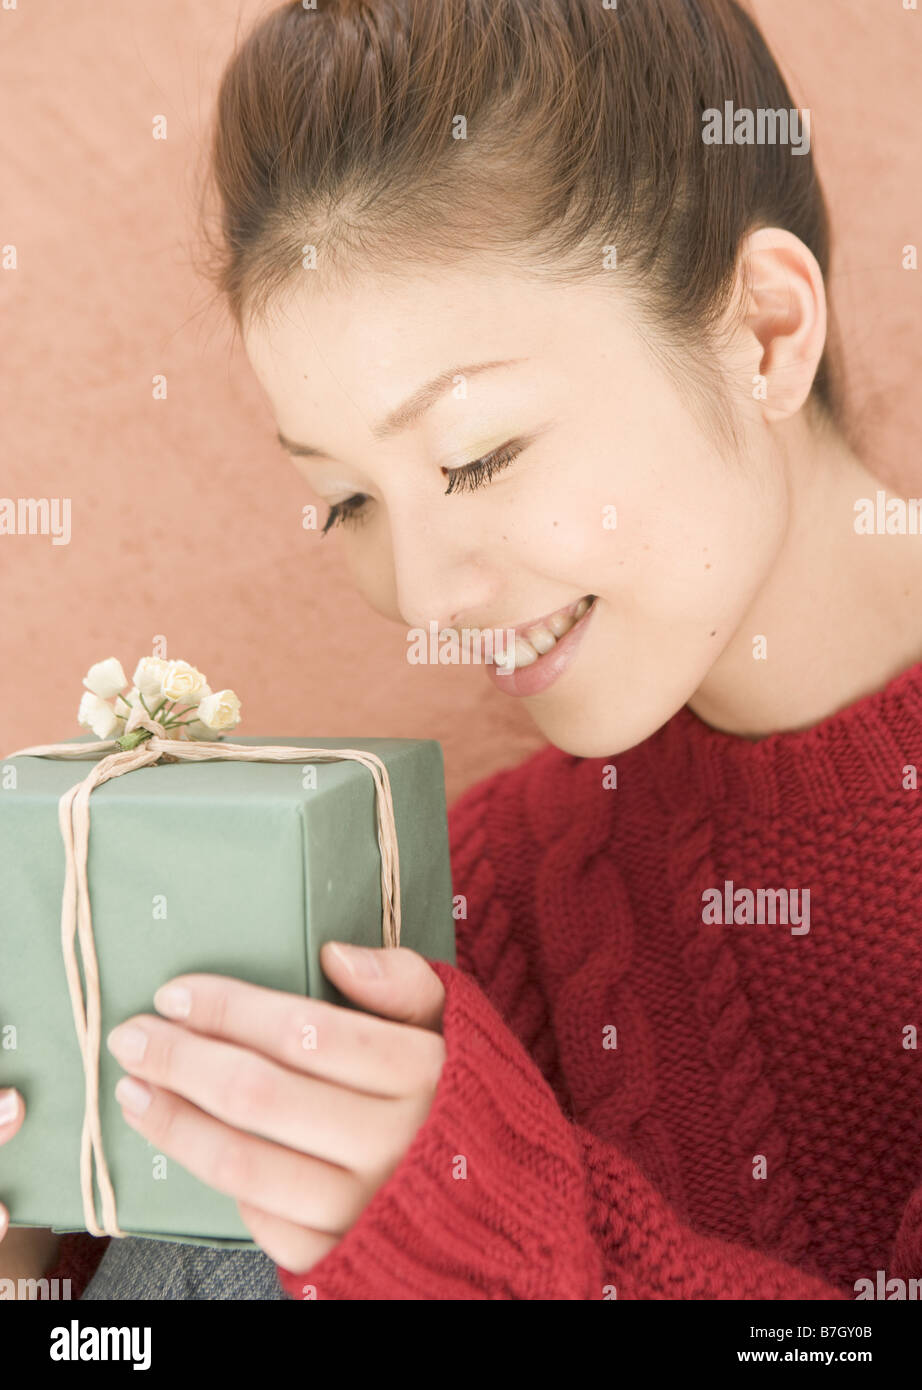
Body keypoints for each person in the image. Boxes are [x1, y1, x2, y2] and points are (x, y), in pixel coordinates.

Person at [5, 0, 921, 1300]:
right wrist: (32, 1257)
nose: (426, 592)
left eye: (480, 455)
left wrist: (482, 1218)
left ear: (764, 328)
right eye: (348, 502)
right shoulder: (455, 908)